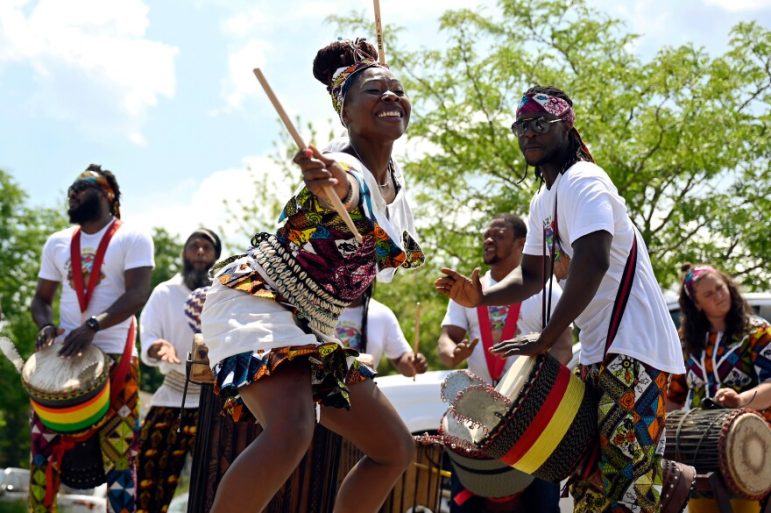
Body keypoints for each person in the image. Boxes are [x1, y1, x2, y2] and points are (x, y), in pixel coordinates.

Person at [199, 38, 424, 513]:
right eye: (374, 91)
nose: (389, 97)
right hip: (256, 304)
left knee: (394, 450)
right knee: (292, 431)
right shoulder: (345, 165)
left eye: (396, 90)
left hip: (315, 327)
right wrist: (323, 179)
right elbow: (336, 183)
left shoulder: (394, 184)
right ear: (344, 114)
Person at [435, 86, 685, 513]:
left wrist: (546, 338)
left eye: (539, 124)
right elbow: (532, 275)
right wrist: (481, 297)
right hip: (598, 351)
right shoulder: (542, 200)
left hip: (635, 348)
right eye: (521, 127)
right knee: (588, 482)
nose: (528, 134)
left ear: (566, 127)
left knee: (626, 482)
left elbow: (593, 261)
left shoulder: (584, 181)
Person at [30, 165, 154, 513]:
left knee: (121, 459)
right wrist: (45, 324)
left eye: (83, 188)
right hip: (62, 360)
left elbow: (138, 293)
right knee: (44, 453)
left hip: (116, 359)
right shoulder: (57, 242)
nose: (73, 193)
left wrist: (94, 326)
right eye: (71, 189)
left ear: (108, 195)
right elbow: (40, 299)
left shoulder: (132, 237)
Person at [437, 213, 572, 513]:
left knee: (540, 505)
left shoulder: (546, 290)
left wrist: (531, 390)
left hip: (530, 418)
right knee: (468, 505)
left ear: (521, 243)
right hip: (476, 418)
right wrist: (451, 352)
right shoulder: (470, 290)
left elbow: (563, 348)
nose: (488, 239)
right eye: (486, 234)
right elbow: (447, 337)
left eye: (498, 234)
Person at [667, 263, 771, 513]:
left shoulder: (757, 332)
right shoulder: (686, 342)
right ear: (697, 304)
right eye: (709, 294)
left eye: (720, 288)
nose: (719, 296)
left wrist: (739, 400)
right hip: (698, 452)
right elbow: (675, 397)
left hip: (750, 448)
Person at [137, 228, 221, 513]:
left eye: (206, 248)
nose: (199, 252)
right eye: (194, 246)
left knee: (215, 490)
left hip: (216, 403)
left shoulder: (228, 296)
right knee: (148, 488)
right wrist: (157, 347)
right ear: (184, 254)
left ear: (216, 257)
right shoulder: (165, 293)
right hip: (171, 397)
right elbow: (148, 337)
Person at [336, 286, 427, 376]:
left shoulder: (381, 313)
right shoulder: (323, 309)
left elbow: (400, 359)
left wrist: (413, 363)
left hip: (365, 388)